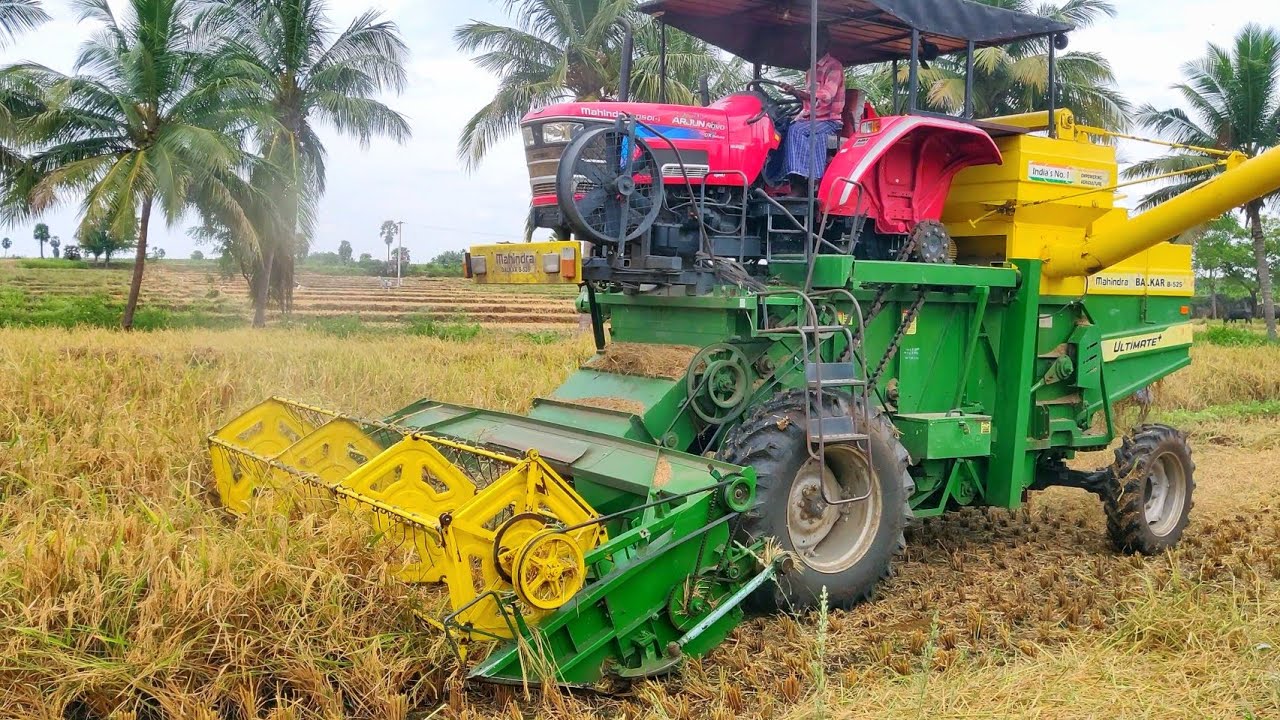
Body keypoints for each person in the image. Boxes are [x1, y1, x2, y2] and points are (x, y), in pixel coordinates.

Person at [778, 25, 845, 193]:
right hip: (812, 118)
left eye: (811, 43)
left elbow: (826, 95)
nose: (808, 48)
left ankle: (804, 183)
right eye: (805, 44)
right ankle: (778, 180)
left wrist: (797, 92)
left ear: (824, 43)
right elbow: (808, 105)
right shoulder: (810, 71)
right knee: (782, 128)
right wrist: (795, 114)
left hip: (829, 120)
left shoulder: (834, 66)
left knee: (797, 130)